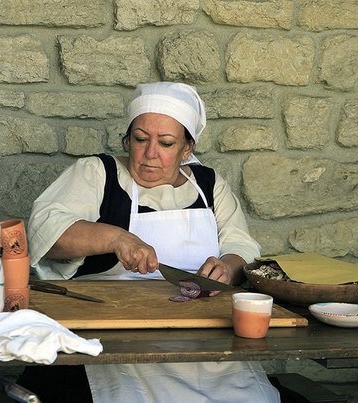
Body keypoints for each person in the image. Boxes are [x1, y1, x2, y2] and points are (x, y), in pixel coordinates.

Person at [21, 82, 280, 402]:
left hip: (201, 342)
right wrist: (115, 237)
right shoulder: (98, 174)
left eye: (167, 143)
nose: (149, 153)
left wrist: (227, 267)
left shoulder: (209, 186)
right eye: (140, 139)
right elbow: (45, 231)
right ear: (127, 139)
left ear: (187, 149)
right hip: (111, 338)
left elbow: (242, 247)